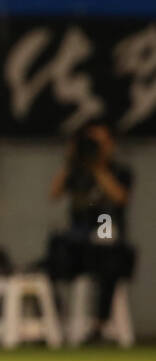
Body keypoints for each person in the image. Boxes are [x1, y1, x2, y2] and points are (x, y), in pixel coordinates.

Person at [49, 121, 134, 336]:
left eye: (99, 142)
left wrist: (98, 167)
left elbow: (120, 197)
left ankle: (99, 325)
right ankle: (55, 323)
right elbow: (54, 193)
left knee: (110, 266)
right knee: (49, 262)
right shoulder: (76, 171)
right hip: (79, 242)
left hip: (109, 242)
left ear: (110, 144)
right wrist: (72, 159)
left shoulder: (120, 171)